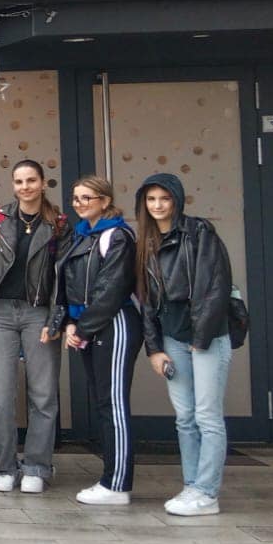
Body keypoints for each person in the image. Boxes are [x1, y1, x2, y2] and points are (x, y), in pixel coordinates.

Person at [135, 172, 234, 517]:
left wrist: (201, 337)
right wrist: (154, 348)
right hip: (171, 338)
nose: (158, 205)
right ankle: (192, 486)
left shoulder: (199, 232)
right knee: (185, 418)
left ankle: (207, 492)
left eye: (164, 198)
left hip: (205, 337)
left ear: (177, 199)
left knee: (208, 416)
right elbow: (146, 300)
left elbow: (216, 285)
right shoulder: (145, 242)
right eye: (151, 199)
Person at [0, 159, 68, 494]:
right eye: (19, 181)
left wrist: (57, 318)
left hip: (38, 312)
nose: (25, 186)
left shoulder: (58, 223)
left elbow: (63, 277)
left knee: (42, 394)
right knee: (0, 396)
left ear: (43, 183)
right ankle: (5, 466)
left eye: (31, 180)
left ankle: (37, 466)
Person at [55, 173, 141, 507]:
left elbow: (110, 290)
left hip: (114, 323)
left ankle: (117, 484)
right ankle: (111, 479)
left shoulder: (116, 236)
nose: (78, 204)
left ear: (105, 201)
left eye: (86, 198)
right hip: (91, 326)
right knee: (105, 403)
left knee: (113, 405)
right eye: (75, 198)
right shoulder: (81, 236)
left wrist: (82, 327)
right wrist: (71, 323)